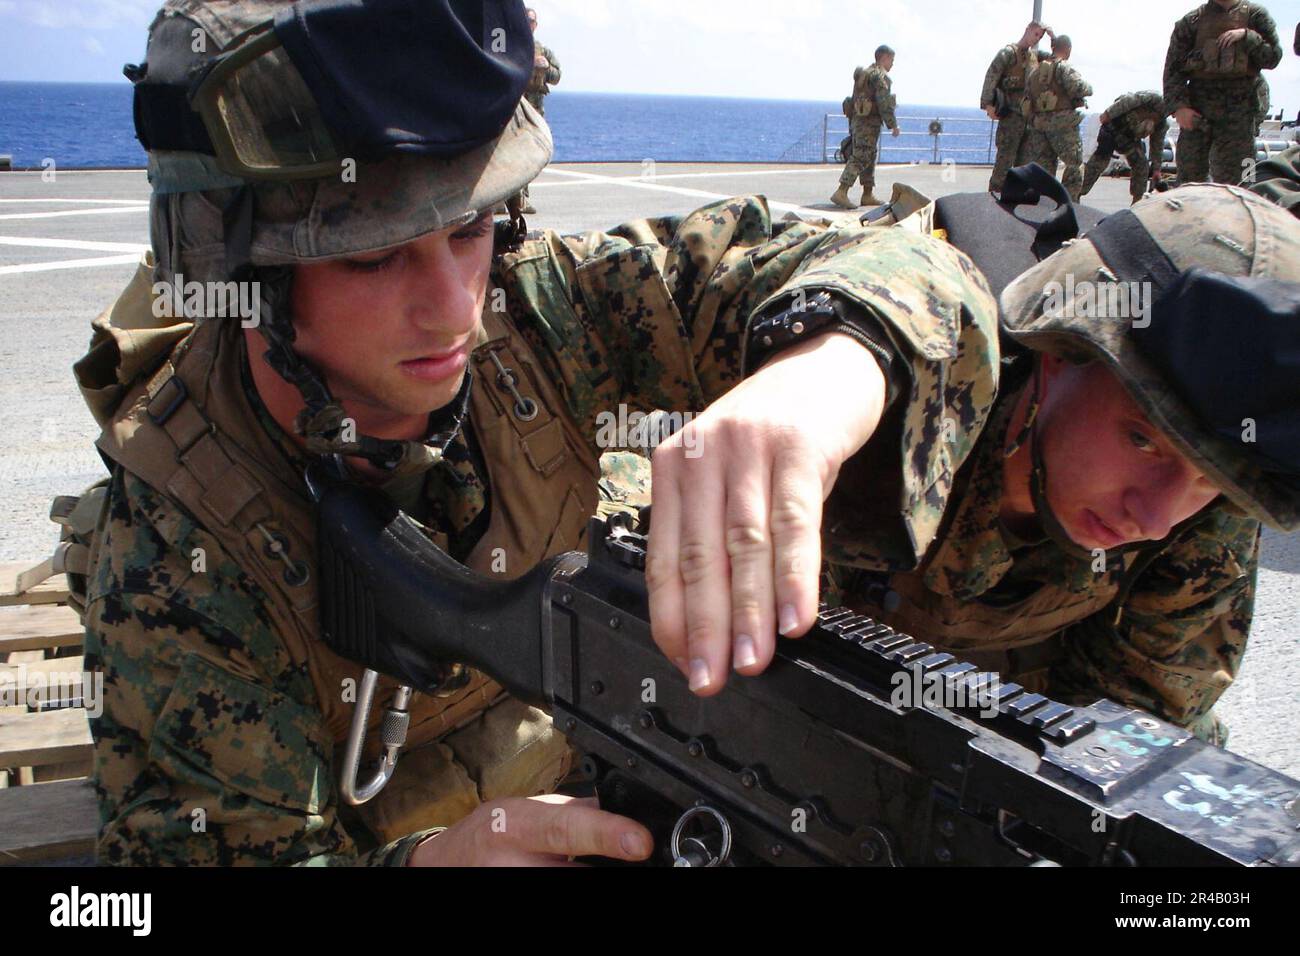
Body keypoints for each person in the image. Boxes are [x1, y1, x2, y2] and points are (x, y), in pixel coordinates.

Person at [80, 0, 990, 865]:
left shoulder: (545, 311)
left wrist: (827, 371)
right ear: (249, 284)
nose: (454, 311)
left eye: (470, 228)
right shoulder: (179, 541)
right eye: (371, 257)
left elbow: (914, 263)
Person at [1164, 0, 1282, 185]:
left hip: (1241, 112)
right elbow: (1173, 69)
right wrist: (1179, 107)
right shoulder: (1192, 21)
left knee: (1245, 179)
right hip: (1198, 111)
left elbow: (1273, 58)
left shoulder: (1256, 16)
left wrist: (1247, 36)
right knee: (1188, 179)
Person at [1020, 34, 1092, 202]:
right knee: (1074, 165)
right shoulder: (1064, 68)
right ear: (1068, 50)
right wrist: (1089, 89)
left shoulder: (1035, 72)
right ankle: (1069, 204)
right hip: (1063, 125)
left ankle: (1042, 204)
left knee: (1044, 169)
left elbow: (1027, 99)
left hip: (1040, 126)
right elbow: (1080, 88)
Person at [981, 21, 1048, 194]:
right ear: (1027, 30)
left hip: (1027, 118)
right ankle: (993, 195)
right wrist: (988, 105)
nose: (1037, 39)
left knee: (1024, 162)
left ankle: (1015, 196)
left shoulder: (1034, 56)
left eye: (1040, 36)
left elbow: (1058, 57)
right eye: (1035, 34)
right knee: (1004, 160)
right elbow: (991, 76)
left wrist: (1053, 37)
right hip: (1010, 116)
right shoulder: (1008, 54)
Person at [831, 45, 901, 209]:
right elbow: (884, 103)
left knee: (869, 155)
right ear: (884, 58)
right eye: (891, 60)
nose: (892, 64)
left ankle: (867, 194)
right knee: (861, 156)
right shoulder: (878, 76)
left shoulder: (864, 74)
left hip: (858, 121)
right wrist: (893, 125)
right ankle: (841, 191)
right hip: (869, 123)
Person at [1081, 91, 1169, 204]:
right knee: (1100, 162)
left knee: (1141, 165)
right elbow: (1129, 100)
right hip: (1113, 128)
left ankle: (1138, 203)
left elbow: (1157, 145)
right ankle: (1076, 192)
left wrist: (1157, 169)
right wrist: (1108, 113)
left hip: (1129, 139)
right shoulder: (1155, 99)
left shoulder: (1162, 123)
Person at [517, 6, 561, 215]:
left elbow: (557, 76)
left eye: (532, 21)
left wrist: (544, 67)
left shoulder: (543, 50)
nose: (529, 23)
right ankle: (501, 201)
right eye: (526, 19)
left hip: (534, 110)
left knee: (528, 155)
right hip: (512, 109)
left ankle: (522, 200)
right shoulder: (510, 45)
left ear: (536, 25)